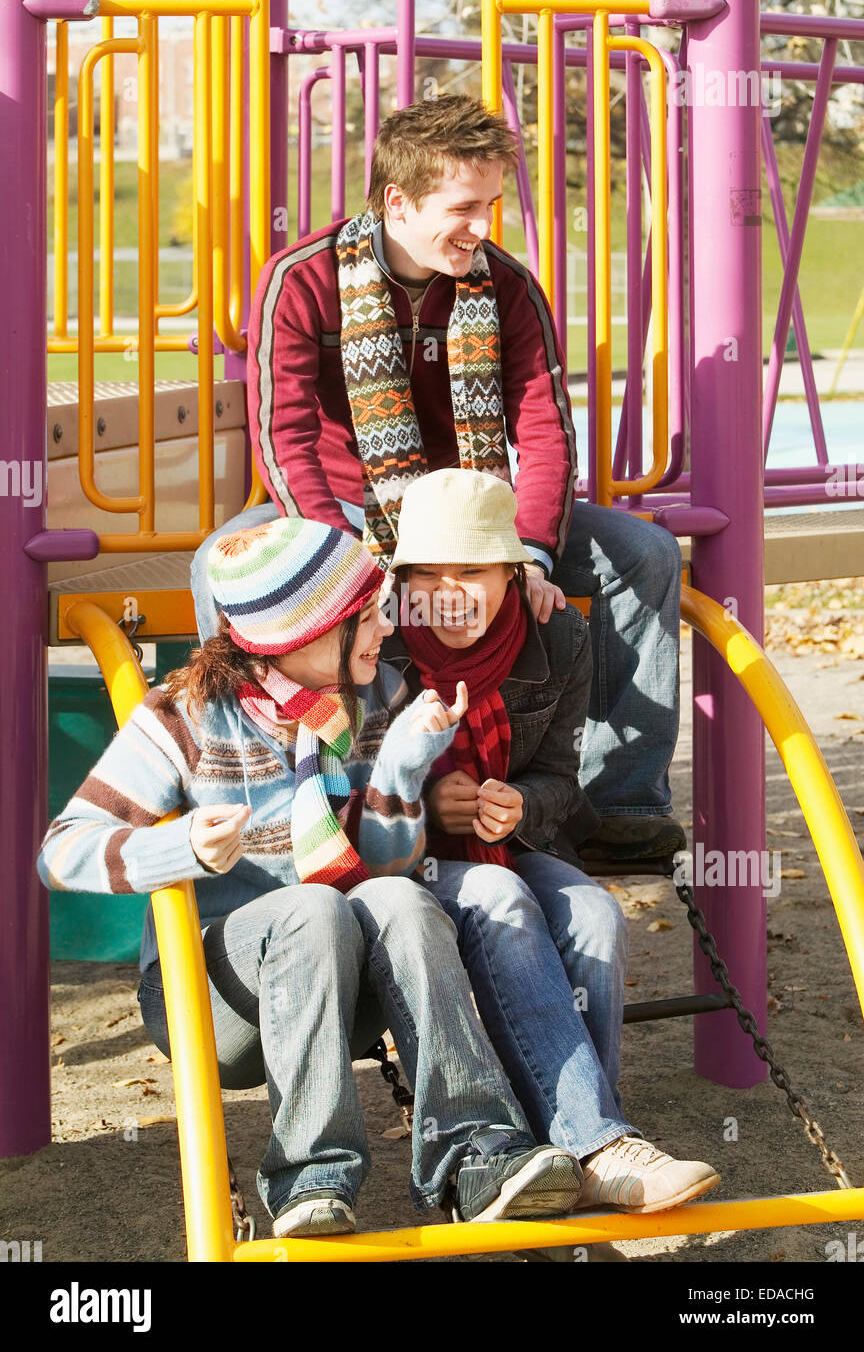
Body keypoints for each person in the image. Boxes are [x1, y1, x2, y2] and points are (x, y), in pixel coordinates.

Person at [37, 516, 584, 1238]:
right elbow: (61, 850)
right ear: (303, 631)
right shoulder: (187, 715)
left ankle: (478, 1152)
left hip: (336, 984)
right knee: (313, 909)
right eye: (365, 616)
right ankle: (311, 1176)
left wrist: (401, 768)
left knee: (393, 893)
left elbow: (386, 866)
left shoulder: (377, 697)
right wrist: (181, 850)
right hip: (214, 1000)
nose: (385, 628)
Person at [243, 92, 685, 864]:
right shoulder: (304, 280)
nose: (482, 228)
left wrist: (528, 555)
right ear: (397, 201)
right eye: (462, 207)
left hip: (481, 513)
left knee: (641, 556)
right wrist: (345, 562)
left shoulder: (504, 286)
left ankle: (619, 802)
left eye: (491, 205)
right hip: (353, 506)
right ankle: (284, 806)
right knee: (221, 566)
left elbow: (544, 428)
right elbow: (286, 438)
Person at [385, 468, 720, 1217]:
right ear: (401, 578)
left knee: (594, 915)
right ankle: (596, 1143)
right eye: (428, 574)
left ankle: (578, 1152)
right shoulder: (375, 642)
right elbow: (338, 780)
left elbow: (561, 777)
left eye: (472, 570)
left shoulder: (556, 634)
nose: (451, 591)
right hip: (398, 858)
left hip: (505, 843)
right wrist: (423, 799)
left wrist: (521, 803)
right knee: (501, 897)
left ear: (514, 571)